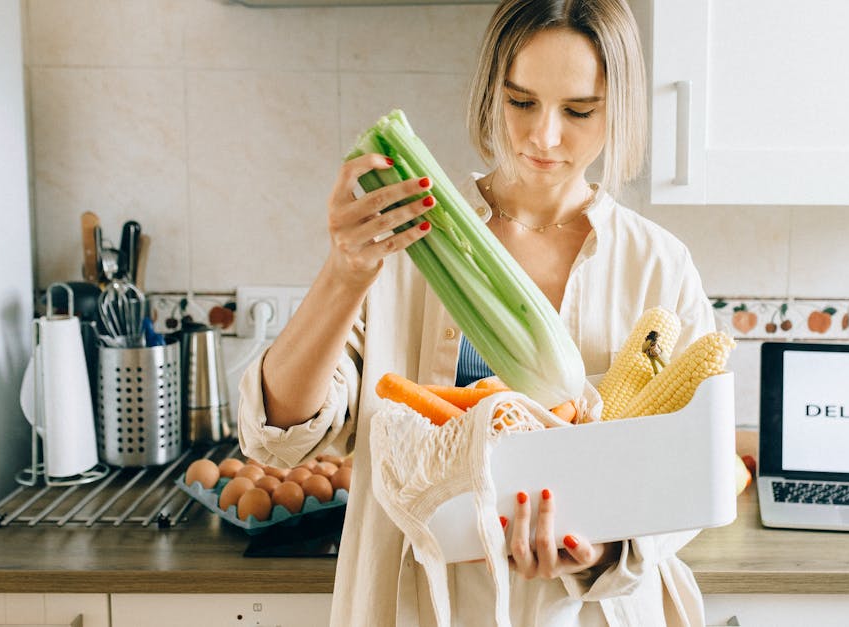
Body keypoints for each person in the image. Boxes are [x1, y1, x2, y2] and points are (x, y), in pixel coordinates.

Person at [237, 0, 717, 624]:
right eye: (521, 102)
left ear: (619, 106)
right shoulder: (410, 239)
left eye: (579, 110)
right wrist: (344, 270)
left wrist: (602, 550)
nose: (544, 136)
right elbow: (280, 437)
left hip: (586, 612)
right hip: (416, 604)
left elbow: (689, 473)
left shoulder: (657, 265)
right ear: (492, 90)